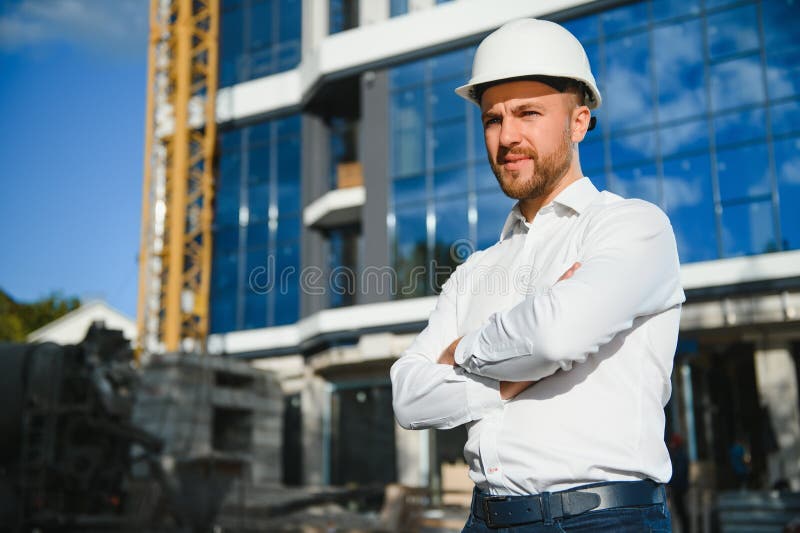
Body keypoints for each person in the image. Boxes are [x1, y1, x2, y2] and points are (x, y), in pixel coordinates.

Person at [390, 18, 685, 532]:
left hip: (604, 520)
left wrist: (461, 350)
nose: (507, 137)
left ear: (578, 122)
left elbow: (553, 336)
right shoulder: (476, 269)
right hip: (484, 520)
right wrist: (508, 379)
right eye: (492, 119)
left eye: (529, 113)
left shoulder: (633, 227)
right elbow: (409, 396)